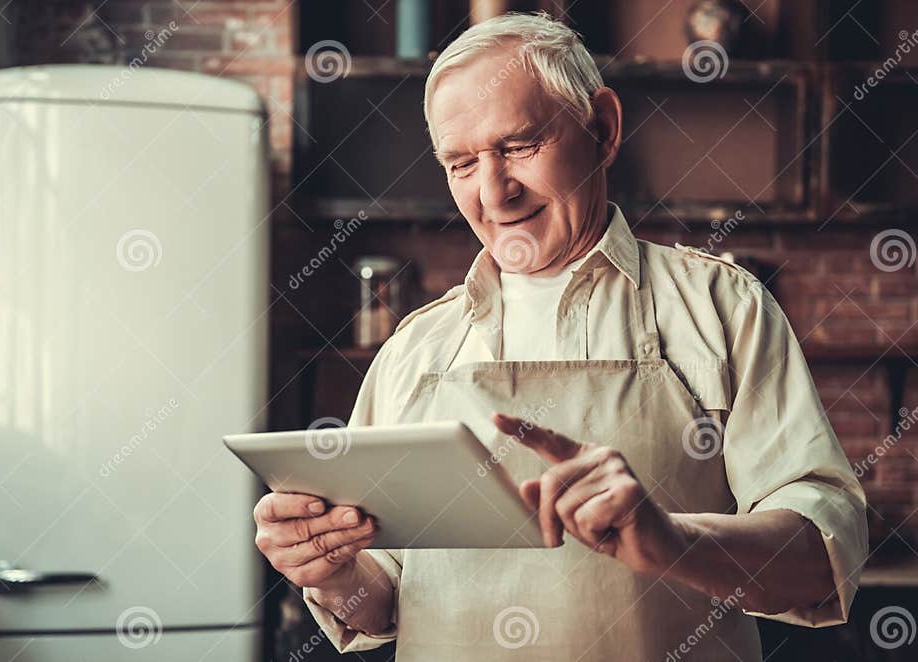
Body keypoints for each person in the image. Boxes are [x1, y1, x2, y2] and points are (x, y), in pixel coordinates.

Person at [254, 12, 867, 661]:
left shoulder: (724, 308)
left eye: (518, 146)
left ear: (602, 128)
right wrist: (330, 569)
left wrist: (673, 541)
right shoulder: (414, 348)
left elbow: (818, 560)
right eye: (462, 163)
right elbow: (385, 603)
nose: (495, 193)